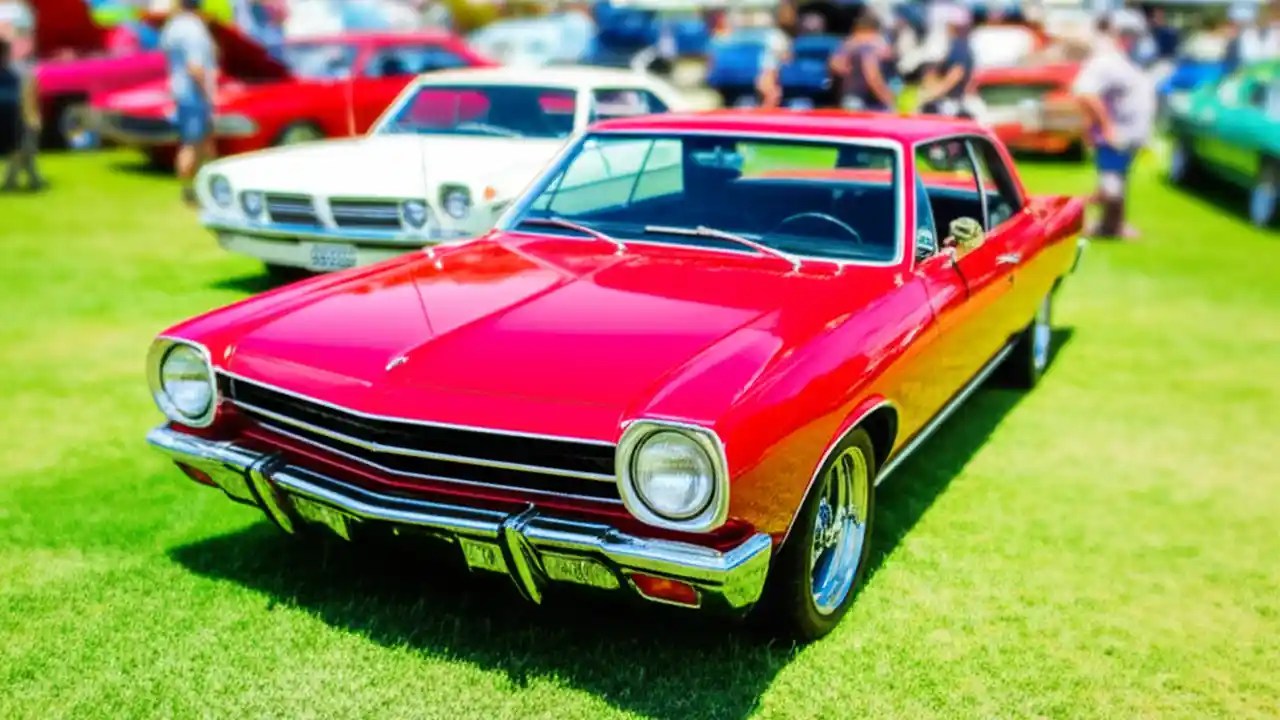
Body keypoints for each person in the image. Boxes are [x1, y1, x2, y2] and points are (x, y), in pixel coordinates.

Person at [1073, 10, 1157, 240]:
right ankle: (1074, 215)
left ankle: (1112, 226)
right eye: (1133, 35)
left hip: (1128, 137)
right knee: (1110, 188)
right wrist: (1107, 126)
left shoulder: (1129, 62)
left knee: (1118, 184)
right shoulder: (1106, 62)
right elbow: (1085, 94)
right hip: (1114, 137)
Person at [160, 0, 218, 206]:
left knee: (204, 142)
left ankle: (207, 187)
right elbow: (196, 67)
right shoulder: (194, 30)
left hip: (179, 90)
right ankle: (190, 191)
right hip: (194, 94)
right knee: (192, 145)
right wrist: (207, 93)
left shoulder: (172, 26)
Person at [0, 15, 43, 191]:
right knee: (24, 147)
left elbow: (26, 97)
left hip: (15, 121)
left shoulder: (17, 73)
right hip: (10, 123)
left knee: (25, 146)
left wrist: (32, 117)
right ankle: (31, 179)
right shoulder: (16, 73)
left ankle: (28, 179)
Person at [916, 4, 974, 118]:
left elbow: (957, 73)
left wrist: (933, 93)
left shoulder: (958, 46)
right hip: (950, 102)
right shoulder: (951, 45)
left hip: (950, 104)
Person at [830, 12, 896, 112]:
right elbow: (872, 76)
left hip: (850, 97)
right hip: (868, 100)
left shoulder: (848, 44)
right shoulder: (874, 44)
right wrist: (889, 99)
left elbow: (836, 66)